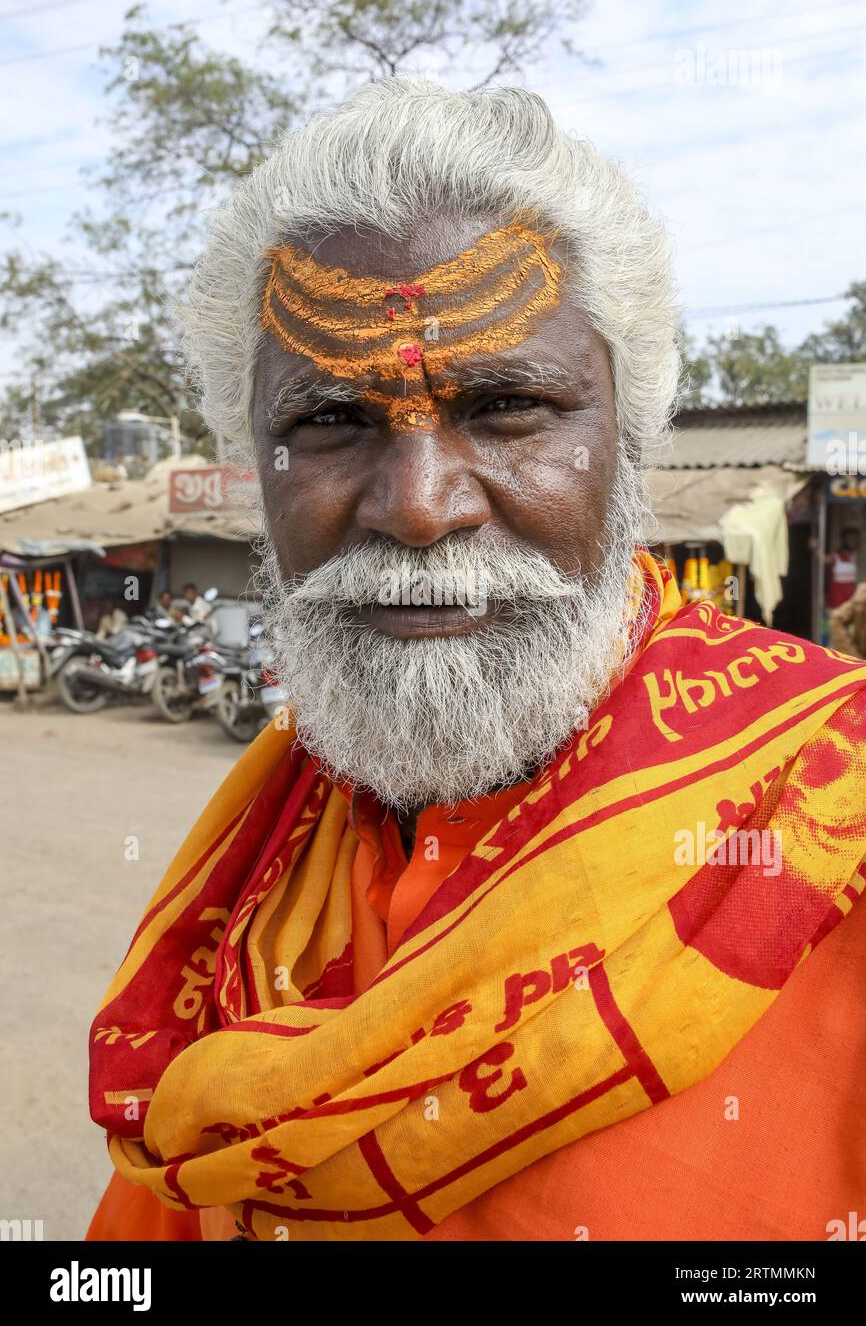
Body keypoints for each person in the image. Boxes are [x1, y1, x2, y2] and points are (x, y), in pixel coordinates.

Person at [87, 78, 866, 1244]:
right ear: (257, 465)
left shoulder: (824, 818)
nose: (416, 508)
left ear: (630, 443)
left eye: (507, 406)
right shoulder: (262, 862)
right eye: (332, 421)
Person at [825, 525, 860, 610]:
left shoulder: (854, 557)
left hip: (850, 604)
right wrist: (815, 548)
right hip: (836, 604)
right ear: (844, 539)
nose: (853, 541)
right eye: (850, 538)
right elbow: (823, 559)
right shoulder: (836, 556)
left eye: (855, 538)